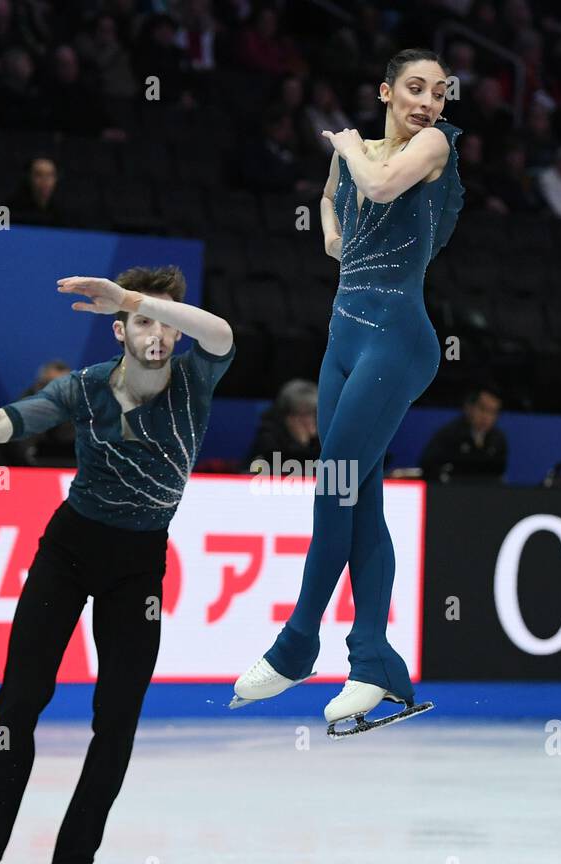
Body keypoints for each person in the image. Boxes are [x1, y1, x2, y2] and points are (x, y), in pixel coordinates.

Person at [0, 266, 235, 864]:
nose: (158, 330)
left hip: (139, 568)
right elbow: (2, 423)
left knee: (116, 722)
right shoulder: (86, 388)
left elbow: (223, 333)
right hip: (67, 554)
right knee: (20, 700)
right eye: (143, 320)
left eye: (166, 320)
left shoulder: (197, 379)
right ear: (119, 332)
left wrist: (142, 300)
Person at [233, 48, 464, 733]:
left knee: (335, 480)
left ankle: (298, 643)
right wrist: (337, 206)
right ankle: (375, 662)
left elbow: (383, 185)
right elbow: (335, 217)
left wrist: (342, 145)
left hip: (398, 338)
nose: (428, 101)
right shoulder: (354, 153)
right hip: (343, 340)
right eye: (415, 89)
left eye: (440, 92)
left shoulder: (432, 145)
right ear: (386, 90)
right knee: (358, 495)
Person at [418, 386, 507, 482]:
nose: (486, 416)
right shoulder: (449, 434)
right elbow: (428, 465)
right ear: (469, 407)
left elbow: (499, 472)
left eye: (493, 412)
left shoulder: (498, 439)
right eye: (482, 409)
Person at [244, 379, 321, 472]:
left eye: (313, 412)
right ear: (289, 416)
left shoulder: (321, 435)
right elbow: (268, 465)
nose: (311, 419)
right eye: (305, 413)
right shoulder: (269, 433)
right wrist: (302, 444)